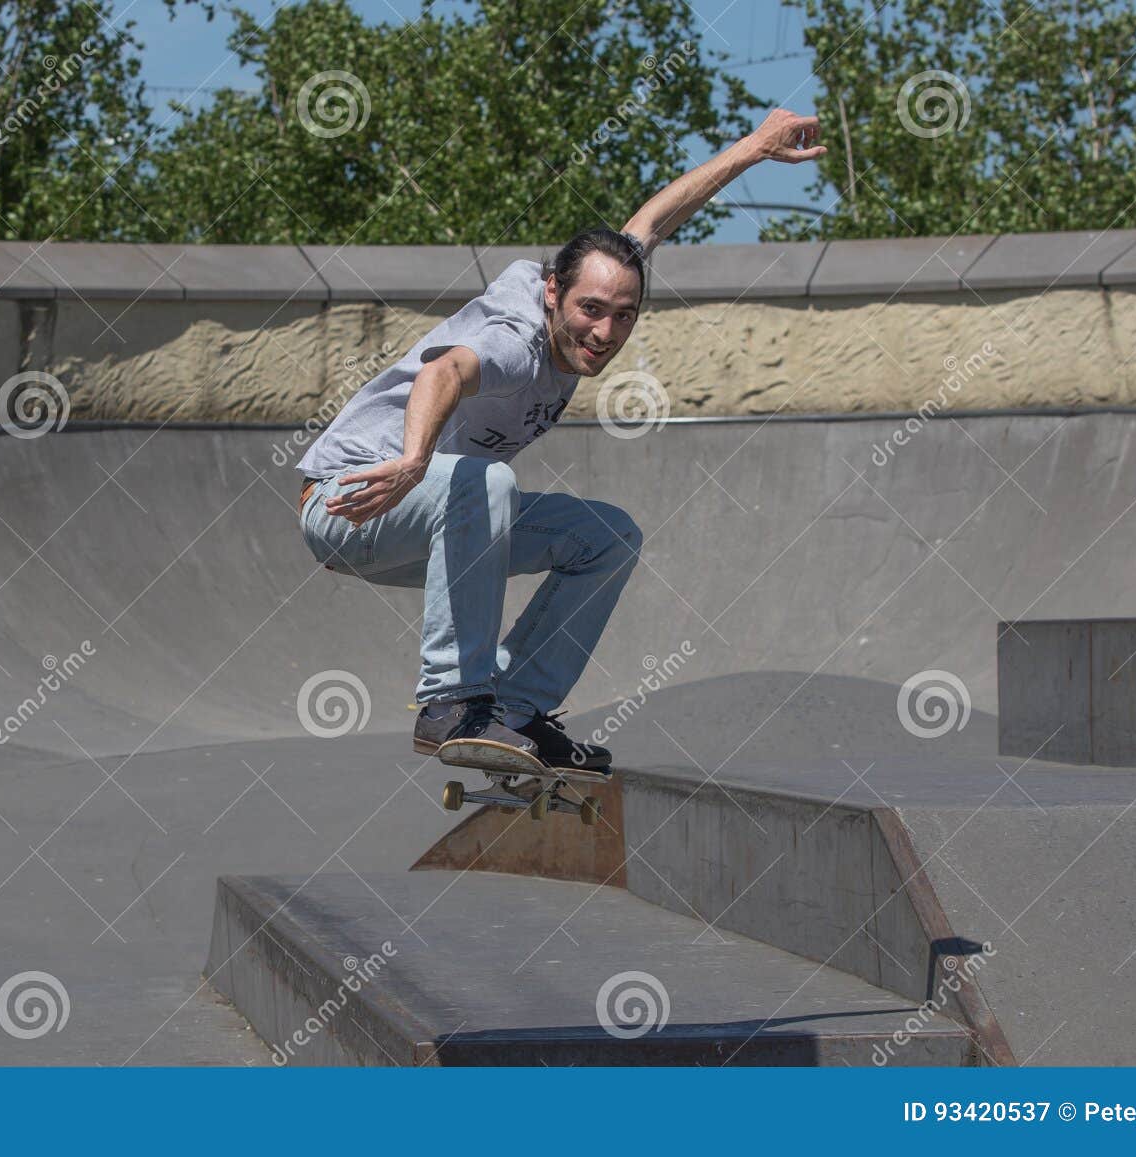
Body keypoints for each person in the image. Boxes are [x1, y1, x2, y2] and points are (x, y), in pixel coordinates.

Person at [297, 109, 825, 774]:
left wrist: (751, 149)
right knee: (484, 480)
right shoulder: (517, 343)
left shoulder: (594, 274)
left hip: (436, 524)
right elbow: (445, 371)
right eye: (590, 312)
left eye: (622, 316)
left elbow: (651, 223)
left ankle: (514, 712)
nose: (603, 333)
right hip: (353, 502)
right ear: (553, 293)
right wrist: (413, 461)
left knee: (607, 537)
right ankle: (450, 706)